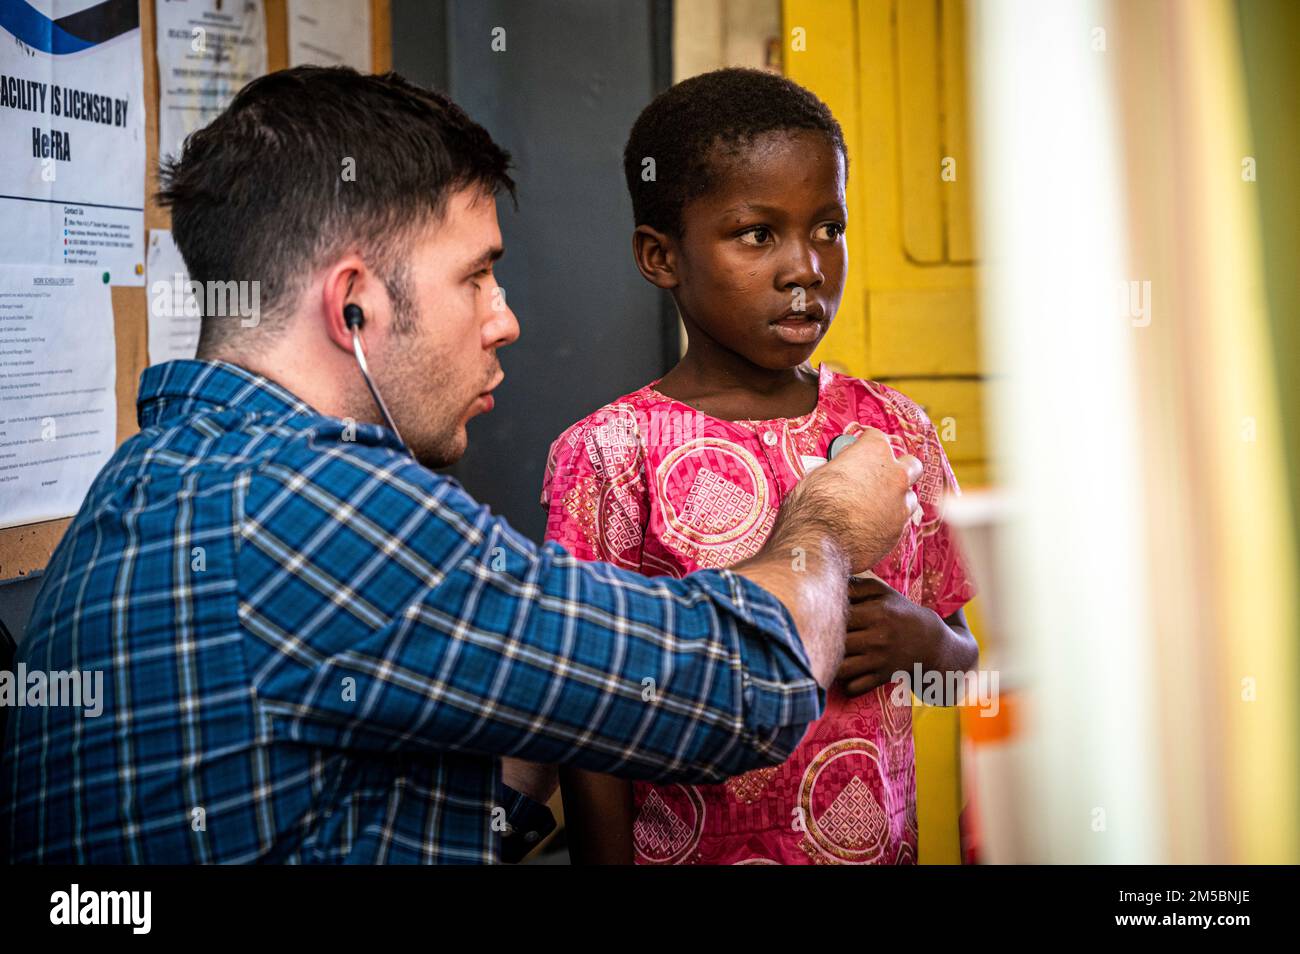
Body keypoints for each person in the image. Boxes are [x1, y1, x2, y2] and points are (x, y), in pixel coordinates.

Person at [0, 67, 923, 864]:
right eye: (476, 276)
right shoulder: (325, 512)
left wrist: (560, 698)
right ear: (354, 307)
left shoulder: (151, 476)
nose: (504, 318)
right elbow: (744, 683)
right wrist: (830, 527)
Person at [543, 68, 979, 865]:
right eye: (757, 234)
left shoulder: (896, 431)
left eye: (828, 228)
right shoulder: (612, 454)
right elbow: (589, 718)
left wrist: (927, 644)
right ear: (660, 256)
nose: (806, 268)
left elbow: (962, 671)